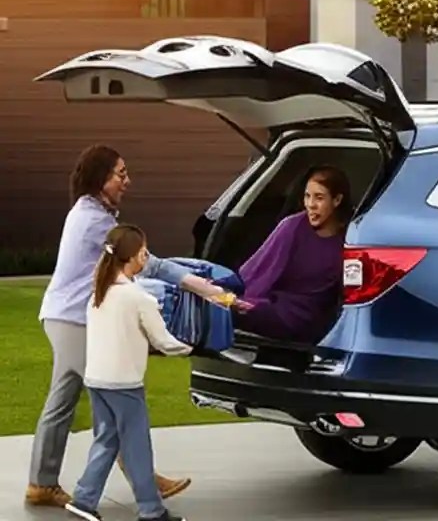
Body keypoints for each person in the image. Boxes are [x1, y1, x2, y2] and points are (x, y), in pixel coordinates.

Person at [26, 145, 229, 508]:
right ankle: (144, 488)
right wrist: (203, 287)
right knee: (118, 403)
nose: (127, 180)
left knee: (65, 402)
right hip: (73, 320)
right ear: (100, 178)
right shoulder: (96, 222)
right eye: (120, 174)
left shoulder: (88, 212)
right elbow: (150, 265)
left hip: (62, 317)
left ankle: (42, 483)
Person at [64, 224, 190, 521]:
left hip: (96, 380)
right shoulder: (138, 298)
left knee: (107, 439)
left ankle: (83, 500)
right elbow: (163, 341)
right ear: (133, 257)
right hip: (124, 385)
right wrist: (190, 348)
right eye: (144, 252)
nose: (146, 258)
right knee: (137, 446)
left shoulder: (98, 293)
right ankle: (151, 510)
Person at [234, 165, 351, 344]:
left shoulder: (350, 238)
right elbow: (255, 272)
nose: (311, 205)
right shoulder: (292, 226)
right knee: (224, 307)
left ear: (337, 200)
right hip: (276, 307)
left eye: (319, 198)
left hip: (312, 319)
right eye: (307, 196)